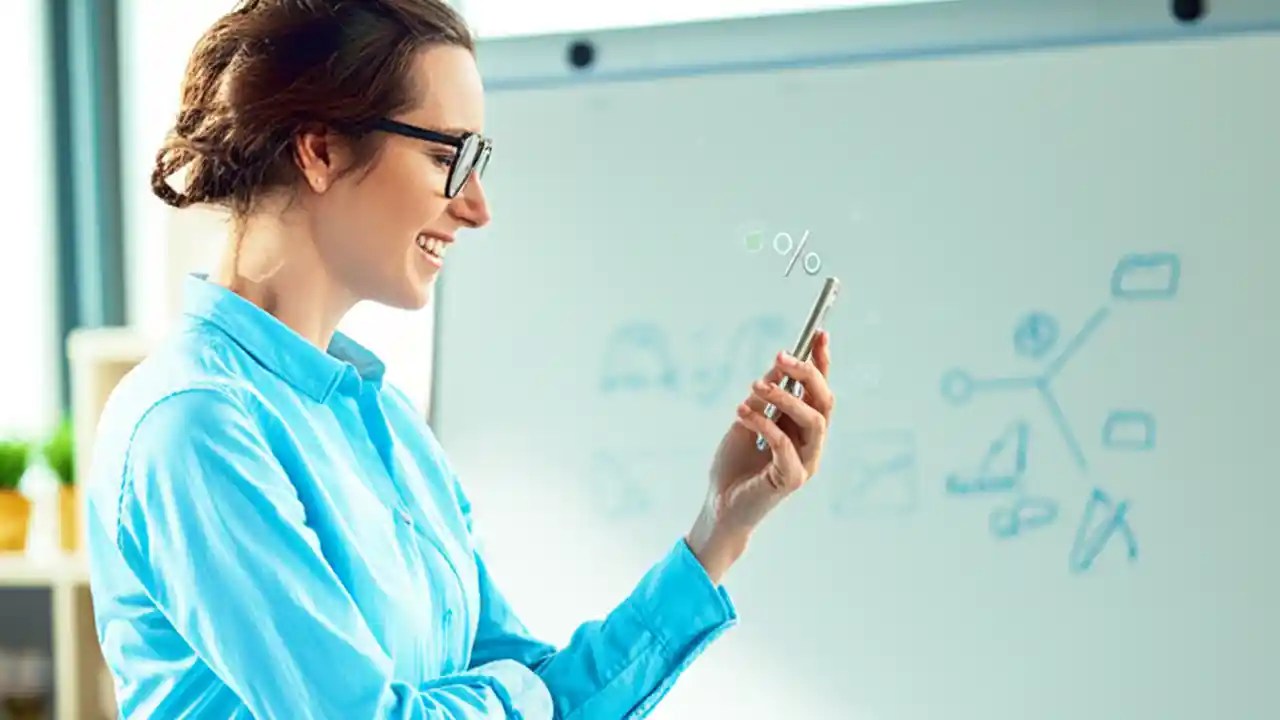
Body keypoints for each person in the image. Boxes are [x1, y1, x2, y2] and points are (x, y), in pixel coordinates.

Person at [84, 1, 837, 718]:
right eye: (449, 155)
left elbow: (551, 695)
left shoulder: (387, 424)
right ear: (318, 151)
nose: (477, 205)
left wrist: (720, 530)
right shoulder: (194, 427)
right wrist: (516, 698)